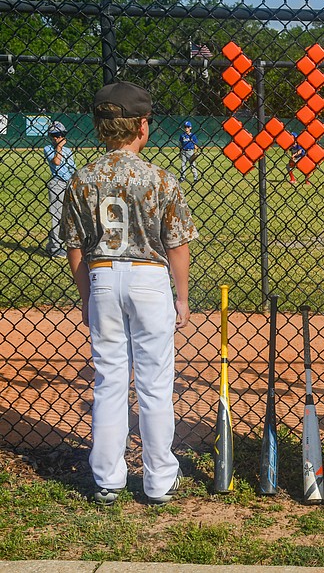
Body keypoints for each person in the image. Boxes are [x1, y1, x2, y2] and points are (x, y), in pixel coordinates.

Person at [60, 81, 198, 506]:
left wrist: (87, 296)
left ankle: (107, 479)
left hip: (101, 276)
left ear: (101, 127)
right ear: (141, 125)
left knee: (109, 380)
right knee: (156, 383)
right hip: (147, 278)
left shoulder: (82, 179)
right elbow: (177, 244)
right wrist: (182, 297)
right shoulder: (158, 177)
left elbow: (75, 246)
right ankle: (158, 480)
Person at [43, 121, 76, 258]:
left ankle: (51, 244)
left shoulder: (68, 150)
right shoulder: (48, 148)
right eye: (54, 135)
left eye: (60, 135)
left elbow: (72, 168)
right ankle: (56, 248)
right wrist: (59, 148)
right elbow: (56, 162)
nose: (57, 138)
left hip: (68, 183)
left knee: (65, 216)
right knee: (56, 216)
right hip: (56, 183)